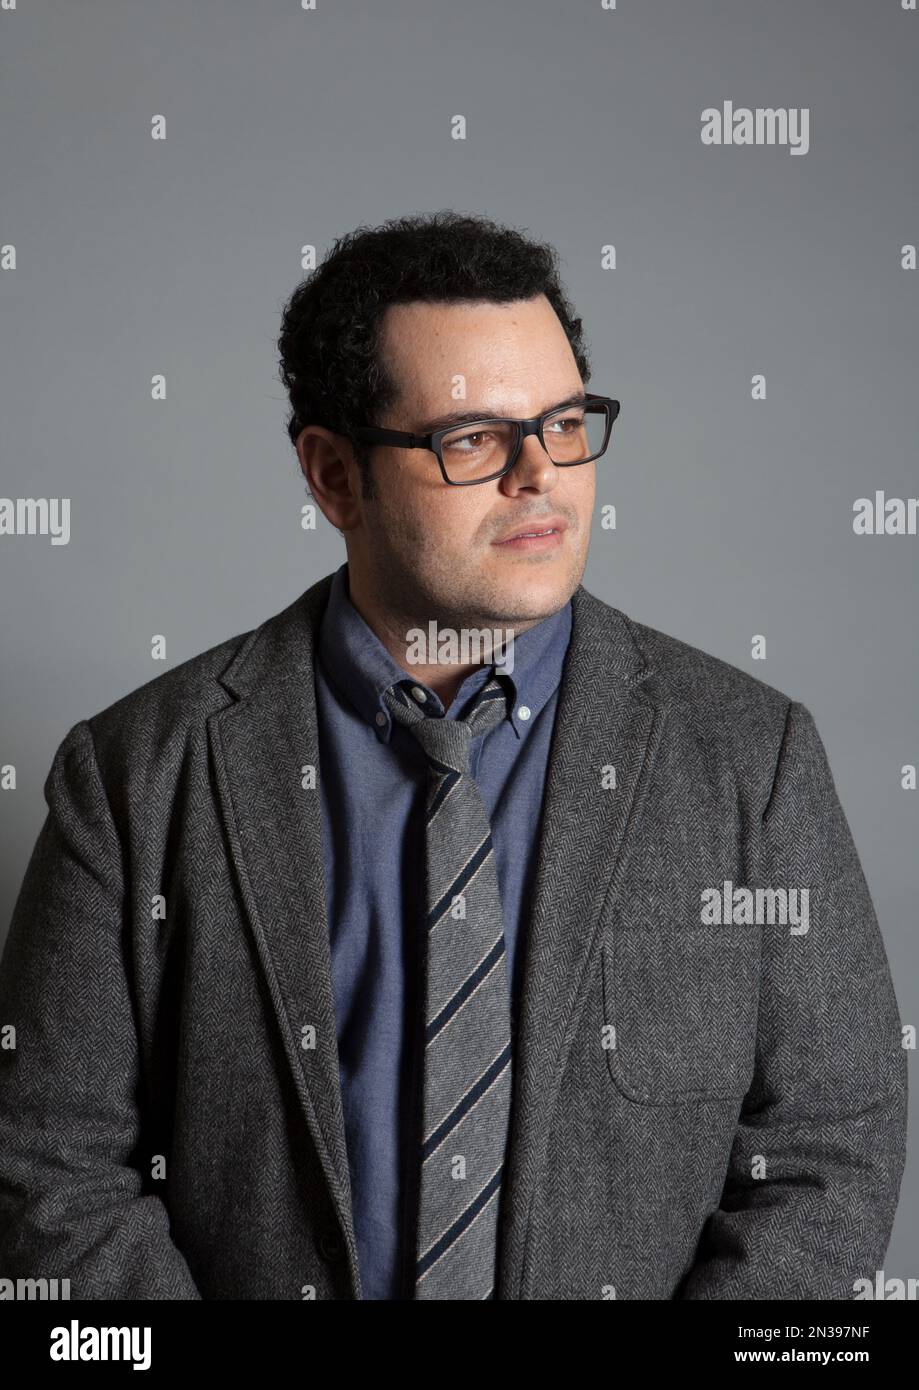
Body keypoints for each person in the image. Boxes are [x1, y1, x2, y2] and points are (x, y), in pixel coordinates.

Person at [0, 211, 906, 1300]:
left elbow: (828, 1147)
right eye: (472, 437)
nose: (541, 474)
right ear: (334, 475)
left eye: (563, 421)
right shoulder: (133, 774)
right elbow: (49, 1170)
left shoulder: (751, 760)